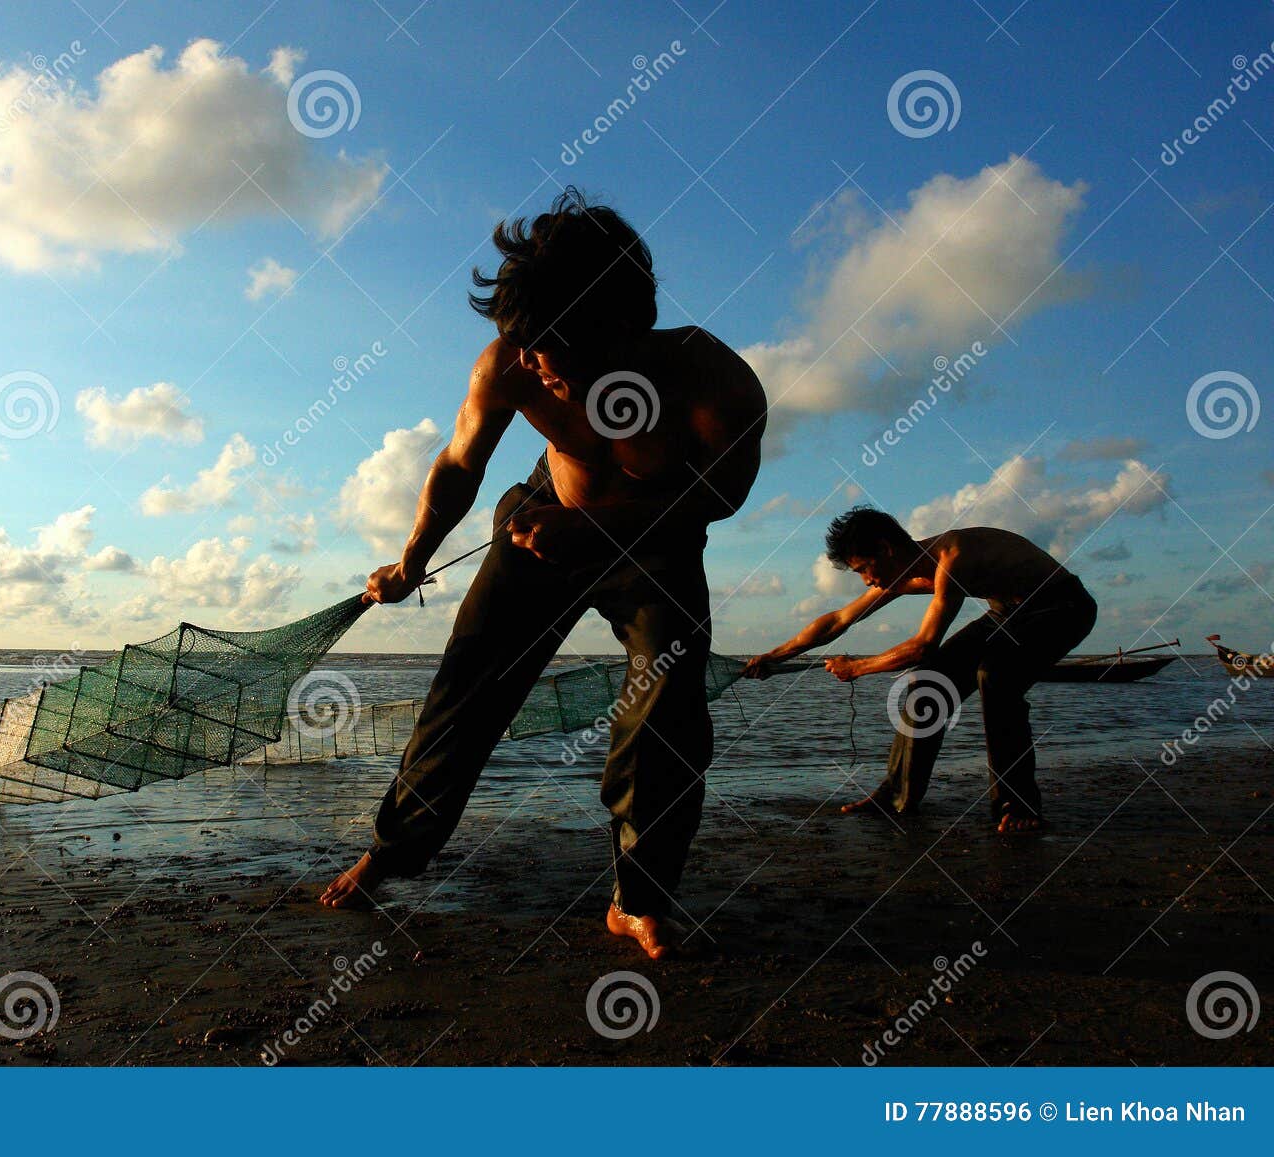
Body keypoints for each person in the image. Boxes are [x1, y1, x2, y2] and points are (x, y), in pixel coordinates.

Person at [319, 189, 767, 959]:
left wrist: (595, 527)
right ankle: (391, 852)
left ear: (621, 330)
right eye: (518, 341)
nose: (528, 361)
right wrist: (412, 560)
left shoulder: (707, 377)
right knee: (463, 691)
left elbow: (720, 494)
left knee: (668, 703)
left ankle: (639, 897)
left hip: (655, 543)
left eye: (548, 343)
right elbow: (460, 464)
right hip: (539, 520)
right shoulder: (512, 361)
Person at [744, 507, 1097, 833]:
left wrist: (859, 667)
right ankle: (898, 795)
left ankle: (1019, 806)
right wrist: (775, 656)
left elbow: (924, 644)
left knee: (996, 676)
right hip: (1007, 613)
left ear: (886, 549)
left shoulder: (952, 557)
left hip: (1063, 606)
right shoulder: (905, 574)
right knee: (928, 681)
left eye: (864, 569)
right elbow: (839, 620)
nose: (866, 581)